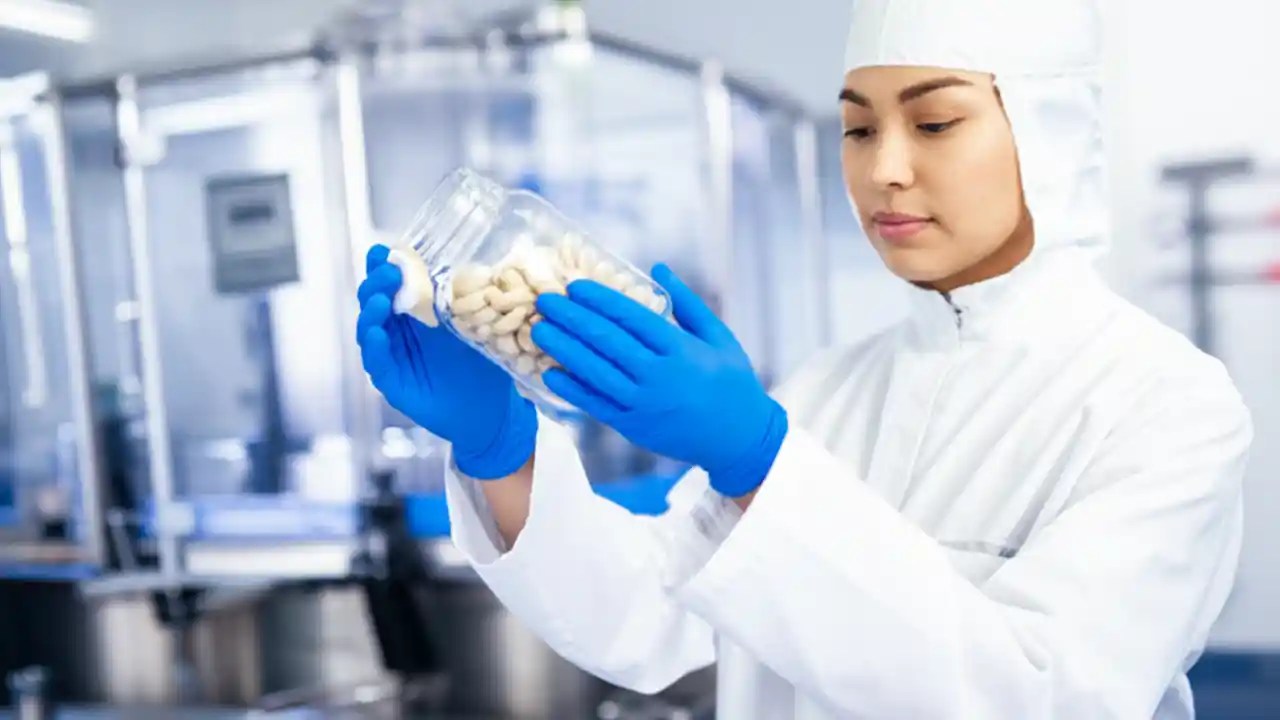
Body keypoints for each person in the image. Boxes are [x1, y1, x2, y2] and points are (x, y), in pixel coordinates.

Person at [354, 0, 1253, 716]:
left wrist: (761, 465)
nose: (884, 170)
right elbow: (644, 618)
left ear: (1051, 135)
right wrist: (501, 448)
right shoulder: (827, 389)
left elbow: (1044, 702)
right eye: (859, 130)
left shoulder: (1164, 405)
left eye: (935, 123)